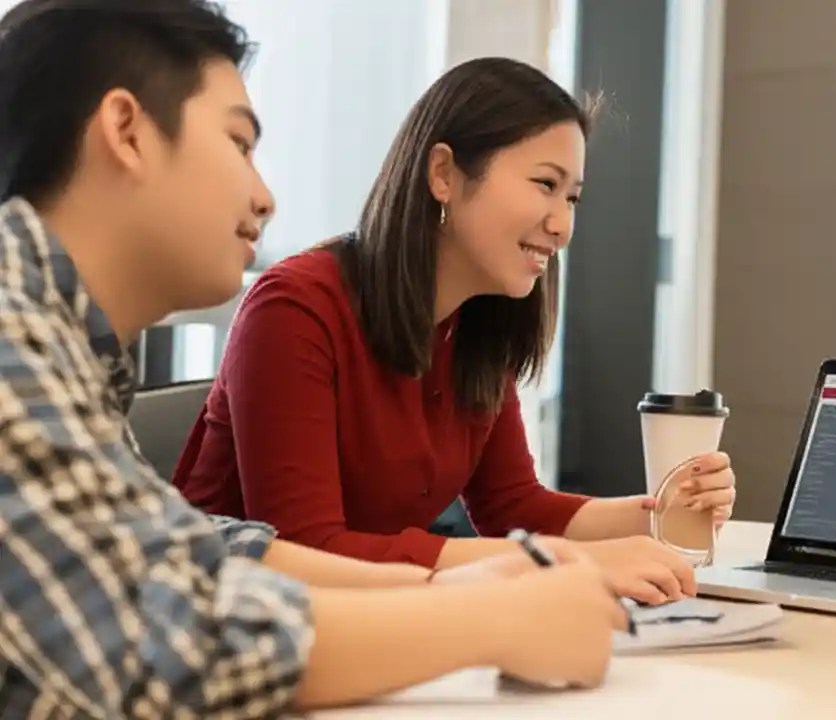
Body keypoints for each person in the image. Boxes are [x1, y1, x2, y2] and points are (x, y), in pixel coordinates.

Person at [0, 1, 625, 714]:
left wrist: (473, 585)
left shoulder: (66, 355)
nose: (264, 197)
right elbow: (152, 652)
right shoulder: (11, 335)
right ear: (127, 132)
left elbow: (188, 551)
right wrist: (494, 617)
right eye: (240, 144)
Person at [171, 56, 739, 605]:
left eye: (573, 197)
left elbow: (514, 504)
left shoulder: (474, 325)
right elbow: (309, 551)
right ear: (443, 173)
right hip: (233, 634)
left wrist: (663, 511)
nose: (563, 225)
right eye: (545, 184)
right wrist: (556, 565)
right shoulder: (295, 308)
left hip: (374, 624)